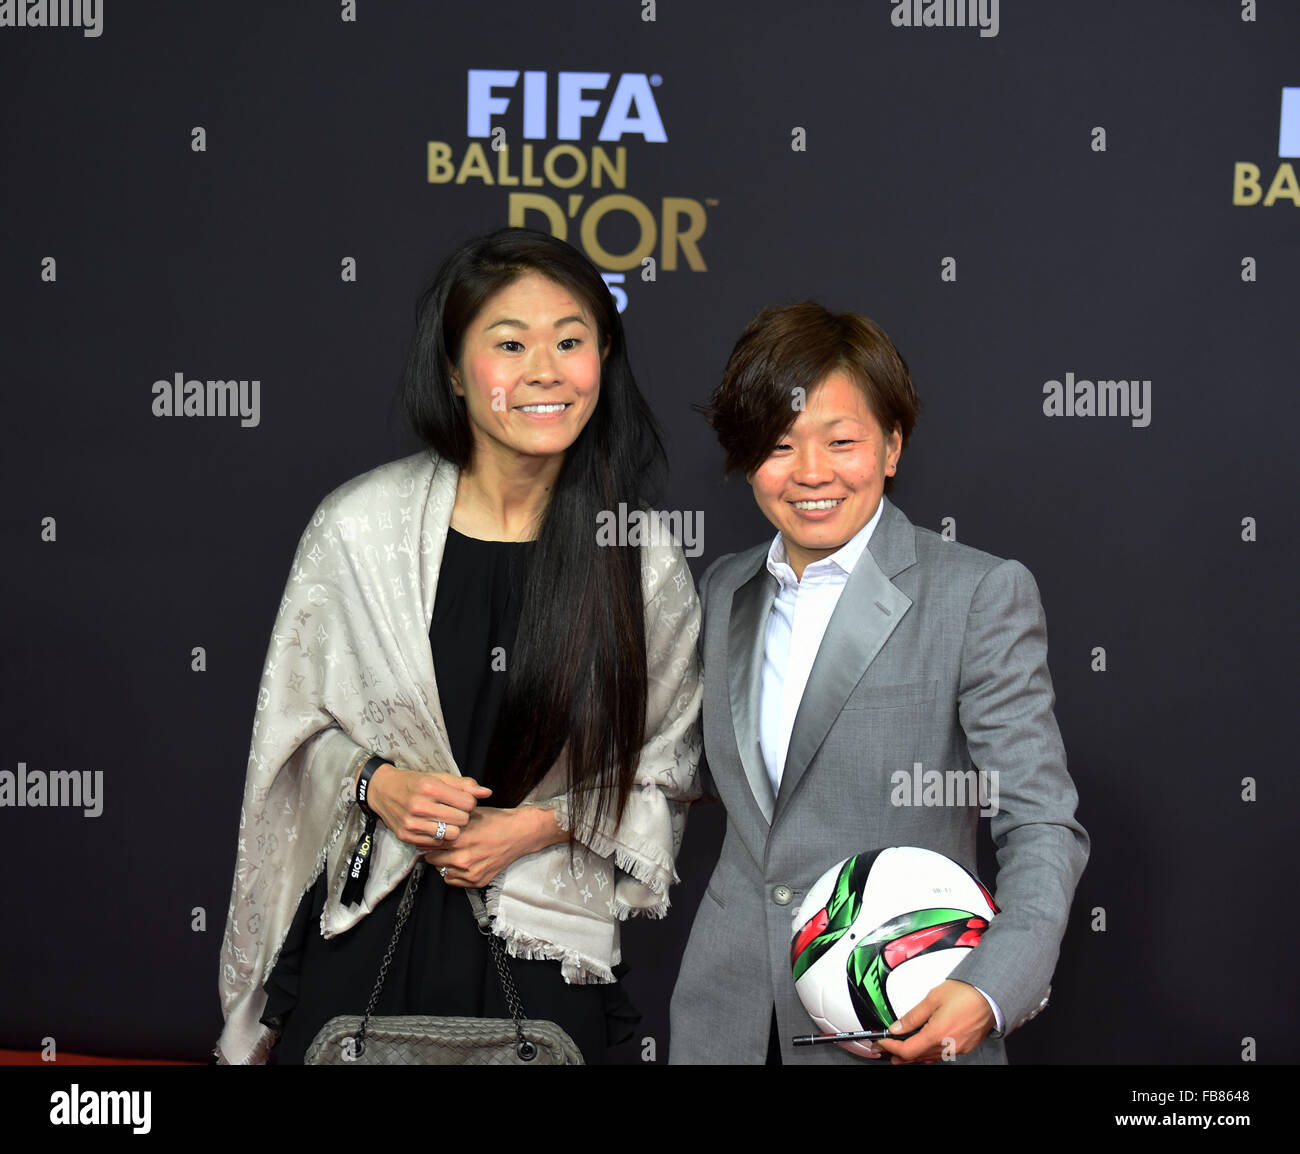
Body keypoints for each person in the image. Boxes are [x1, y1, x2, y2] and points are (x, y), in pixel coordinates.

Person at [216, 228, 703, 1065]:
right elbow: (288, 738)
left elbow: (671, 768)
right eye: (510, 343)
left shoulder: (638, 556)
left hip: (548, 946)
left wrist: (537, 827)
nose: (544, 369)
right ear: (453, 370)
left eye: (571, 340)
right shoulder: (359, 530)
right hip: (368, 929)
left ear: (604, 358)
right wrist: (379, 782)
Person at [669, 302, 1088, 1064]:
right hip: (724, 1020)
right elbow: (681, 772)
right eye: (778, 445)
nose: (811, 473)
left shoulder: (978, 593)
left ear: (891, 446)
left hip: (901, 1019)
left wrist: (991, 989)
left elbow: (1040, 820)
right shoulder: (722, 588)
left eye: (842, 441)